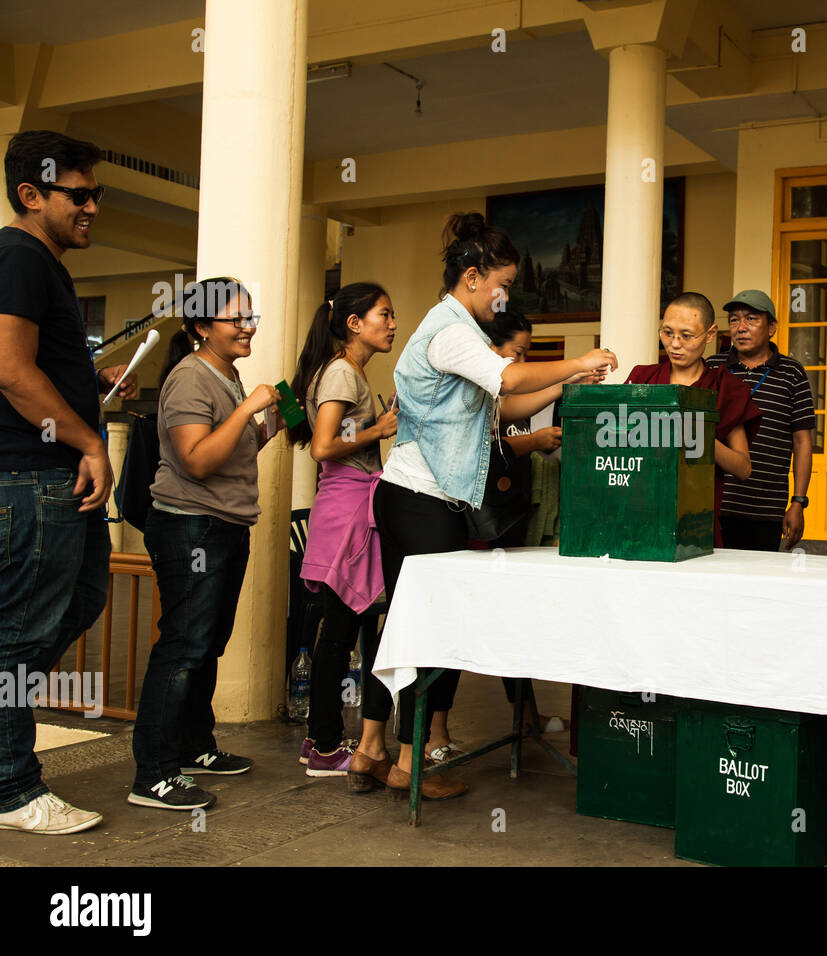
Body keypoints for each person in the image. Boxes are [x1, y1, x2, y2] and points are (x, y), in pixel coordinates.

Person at [374, 211, 612, 798]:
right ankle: (409, 764)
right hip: (421, 500)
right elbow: (506, 383)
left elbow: (494, 413)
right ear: (474, 277)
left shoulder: (458, 331)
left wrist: (567, 388)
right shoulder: (451, 331)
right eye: (502, 284)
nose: (505, 297)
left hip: (414, 496)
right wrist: (580, 361)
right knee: (431, 631)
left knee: (413, 626)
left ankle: (373, 753)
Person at [0, 131, 137, 835]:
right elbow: (11, 369)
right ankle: (11, 789)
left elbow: (37, 363)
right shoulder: (18, 254)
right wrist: (89, 440)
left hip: (51, 482)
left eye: (96, 194)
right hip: (31, 478)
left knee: (78, 602)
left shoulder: (44, 264)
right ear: (32, 195)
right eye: (78, 195)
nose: (92, 208)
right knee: (20, 636)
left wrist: (91, 377)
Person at [128, 278, 284, 810]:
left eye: (250, 316)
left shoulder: (226, 374)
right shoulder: (190, 377)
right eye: (235, 319)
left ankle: (195, 746)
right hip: (190, 526)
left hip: (225, 524)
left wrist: (268, 426)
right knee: (183, 646)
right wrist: (246, 411)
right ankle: (153, 772)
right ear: (200, 326)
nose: (247, 327)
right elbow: (194, 461)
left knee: (207, 644)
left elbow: (228, 452)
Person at [288, 282, 399, 782]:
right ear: (354, 323)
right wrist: (380, 428)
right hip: (346, 502)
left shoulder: (348, 371)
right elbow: (324, 443)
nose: (392, 324)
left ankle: (320, 738)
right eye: (384, 314)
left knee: (339, 626)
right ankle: (326, 746)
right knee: (339, 628)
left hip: (350, 499)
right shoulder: (340, 372)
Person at [480, 309, 566, 736]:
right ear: (491, 349)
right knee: (500, 614)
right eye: (517, 353)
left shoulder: (518, 388)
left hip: (516, 509)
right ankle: (436, 731)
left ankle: (526, 712)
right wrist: (531, 442)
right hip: (489, 517)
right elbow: (489, 443)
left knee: (515, 614)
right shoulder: (478, 385)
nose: (521, 362)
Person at [627, 292, 763, 547]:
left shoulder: (724, 388)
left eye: (687, 335)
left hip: (696, 518)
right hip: (639, 511)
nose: (675, 344)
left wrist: (695, 435)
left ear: (710, 334)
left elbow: (743, 468)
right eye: (667, 333)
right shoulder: (642, 378)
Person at [704, 289, 815, 551]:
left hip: (766, 508)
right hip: (713, 503)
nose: (741, 328)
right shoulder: (712, 367)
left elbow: (802, 443)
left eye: (751, 319)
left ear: (772, 327)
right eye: (734, 320)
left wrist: (798, 502)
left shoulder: (792, 373)